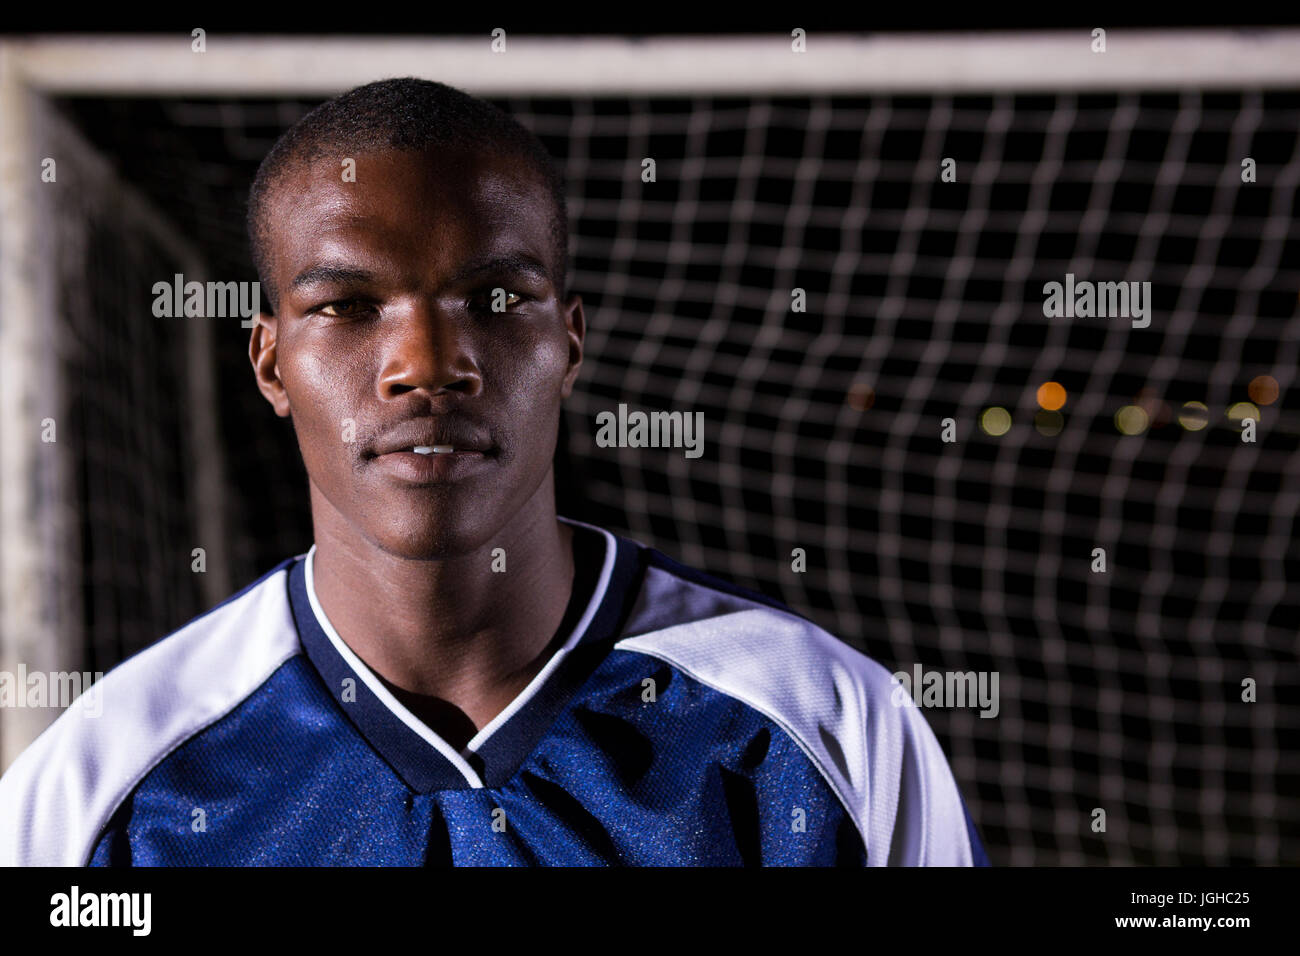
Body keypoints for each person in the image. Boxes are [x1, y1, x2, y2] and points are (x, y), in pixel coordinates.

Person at [0, 78, 988, 866]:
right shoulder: (107, 779)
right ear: (270, 364)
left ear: (569, 342)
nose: (426, 362)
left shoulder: (821, 729)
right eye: (347, 306)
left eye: (496, 296)